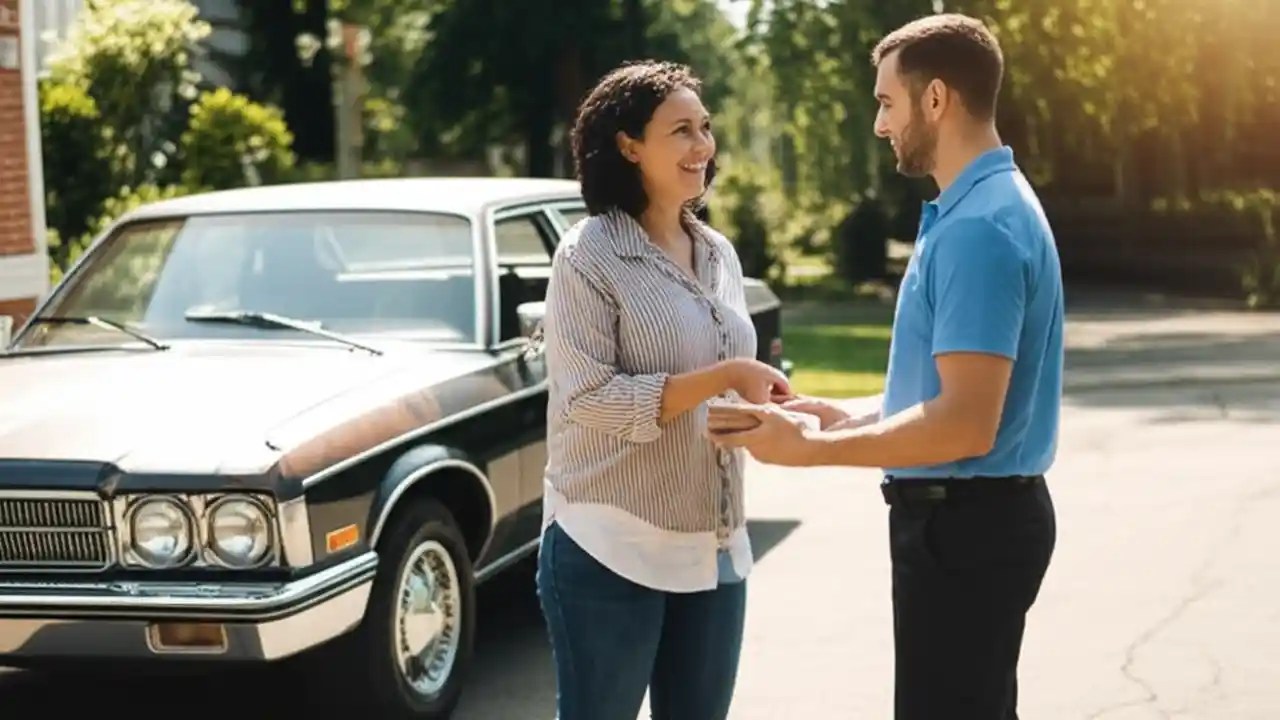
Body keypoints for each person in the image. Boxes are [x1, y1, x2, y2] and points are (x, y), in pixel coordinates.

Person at [710, 13, 1064, 720]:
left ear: (935, 99)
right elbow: (944, 396)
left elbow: (964, 424)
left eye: (886, 102)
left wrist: (811, 451)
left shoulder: (978, 230)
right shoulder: (978, 210)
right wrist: (847, 416)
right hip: (969, 524)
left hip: (964, 530)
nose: (879, 124)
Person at [536, 60, 791, 720]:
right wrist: (724, 378)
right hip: (608, 546)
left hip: (714, 548)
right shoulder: (587, 255)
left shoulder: (717, 253)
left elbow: (725, 378)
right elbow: (587, 398)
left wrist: (764, 410)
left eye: (705, 128)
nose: (702, 145)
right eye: (681, 130)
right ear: (628, 145)